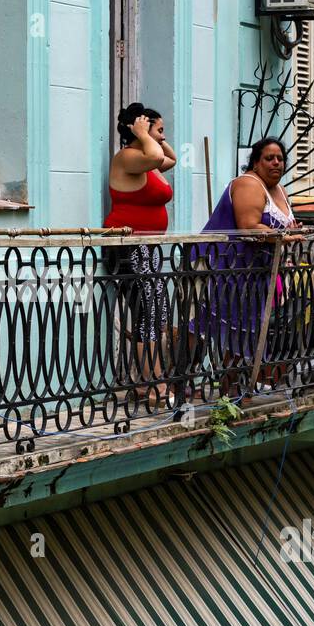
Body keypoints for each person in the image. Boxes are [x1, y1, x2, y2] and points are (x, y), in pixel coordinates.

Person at [188, 137, 299, 393]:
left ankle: (232, 388)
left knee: (245, 330)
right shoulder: (249, 184)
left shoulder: (279, 190)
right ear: (256, 162)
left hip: (256, 272)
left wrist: (290, 233)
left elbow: (279, 227)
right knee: (210, 324)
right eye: (269, 158)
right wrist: (282, 236)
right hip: (227, 267)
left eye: (280, 158)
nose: (276, 163)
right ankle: (180, 380)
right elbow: (249, 227)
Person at [105, 103, 177, 408]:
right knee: (148, 314)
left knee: (157, 314)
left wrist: (154, 135)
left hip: (148, 248)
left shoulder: (149, 157)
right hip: (129, 248)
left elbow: (169, 159)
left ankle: (145, 382)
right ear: (140, 129)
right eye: (159, 129)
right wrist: (143, 133)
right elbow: (158, 157)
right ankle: (155, 385)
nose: (163, 136)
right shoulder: (129, 157)